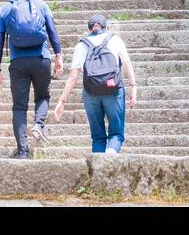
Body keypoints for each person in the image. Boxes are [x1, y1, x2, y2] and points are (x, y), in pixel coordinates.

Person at [0, 0, 63, 159]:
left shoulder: (4, 10)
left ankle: (23, 151)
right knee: (43, 96)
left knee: (19, 107)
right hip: (41, 58)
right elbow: (52, 31)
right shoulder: (40, 4)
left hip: (18, 62)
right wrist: (59, 56)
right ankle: (39, 125)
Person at [54, 14, 137, 154]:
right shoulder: (115, 40)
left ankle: (97, 165)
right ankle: (110, 154)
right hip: (113, 90)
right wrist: (133, 87)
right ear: (106, 27)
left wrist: (62, 101)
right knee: (116, 134)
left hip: (91, 93)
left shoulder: (81, 45)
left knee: (97, 137)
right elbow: (127, 62)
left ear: (89, 29)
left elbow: (73, 77)